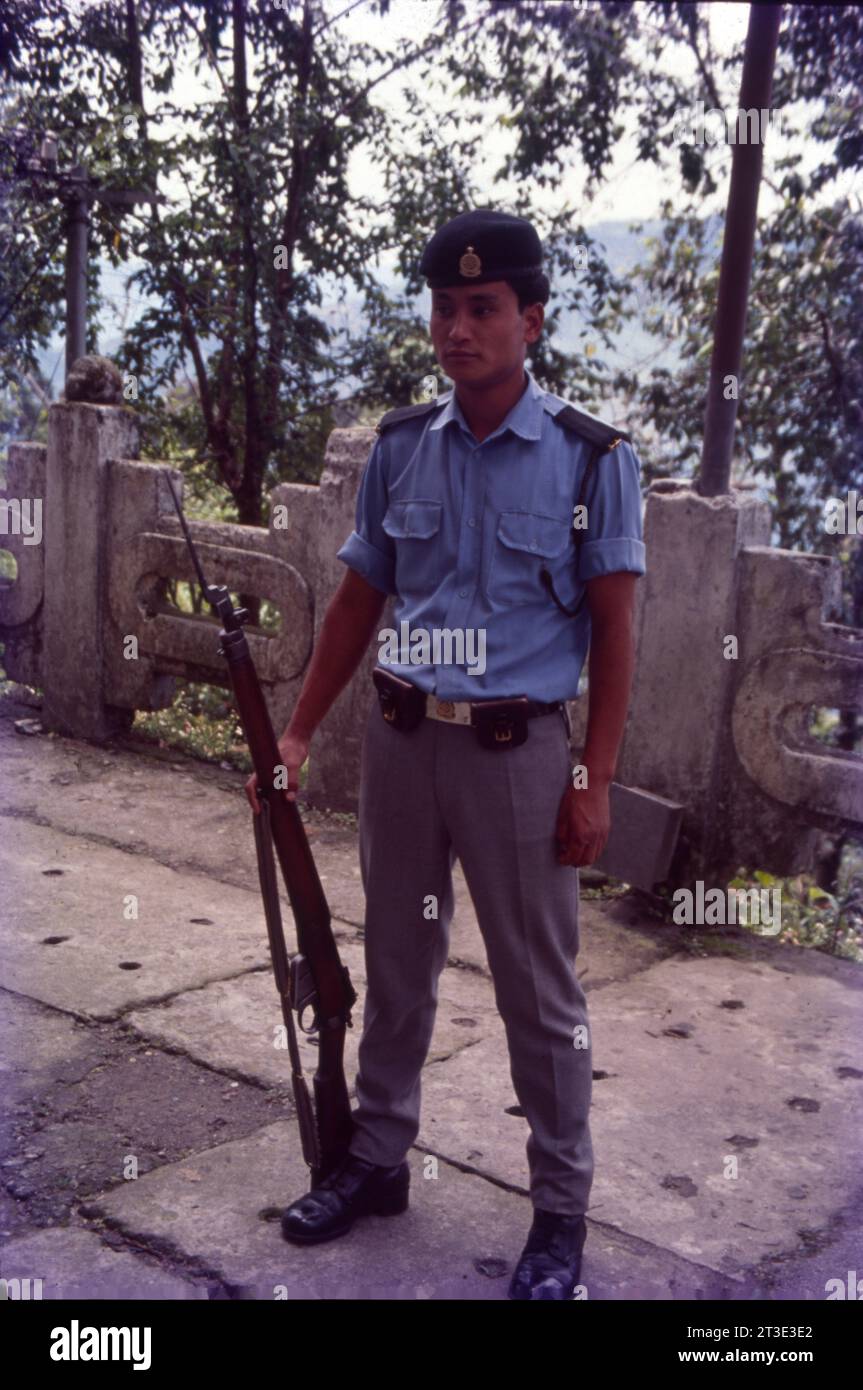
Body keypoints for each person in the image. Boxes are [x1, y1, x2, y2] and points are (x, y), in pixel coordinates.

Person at [246, 208, 646, 1300]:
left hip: (519, 760)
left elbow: (615, 631)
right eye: (444, 309)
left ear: (528, 319)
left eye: (481, 309)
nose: (457, 329)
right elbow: (355, 599)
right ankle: (377, 1159)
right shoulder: (398, 447)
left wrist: (592, 777)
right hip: (402, 743)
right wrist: (293, 729)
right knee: (396, 967)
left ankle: (558, 1212)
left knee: (538, 992)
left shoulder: (588, 460)